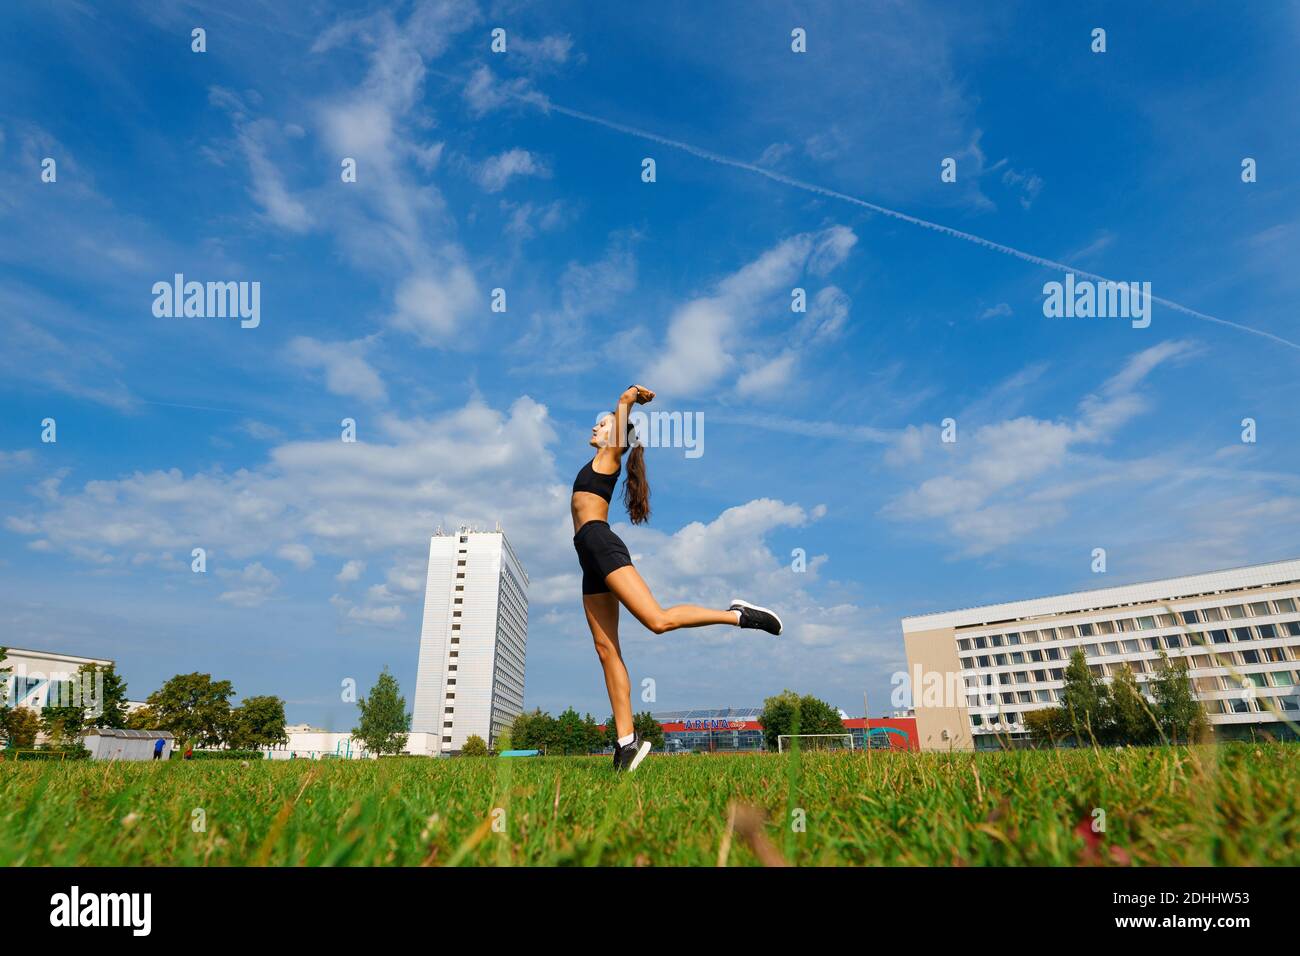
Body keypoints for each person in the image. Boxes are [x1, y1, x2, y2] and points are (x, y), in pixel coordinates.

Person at [572, 384, 782, 774]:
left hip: (601, 544)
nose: (597, 428)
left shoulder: (609, 456)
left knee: (657, 620)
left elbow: (621, 415)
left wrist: (629, 397)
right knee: (605, 648)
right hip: (587, 552)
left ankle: (737, 614)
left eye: (603, 425)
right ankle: (626, 743)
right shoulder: (602, 457)